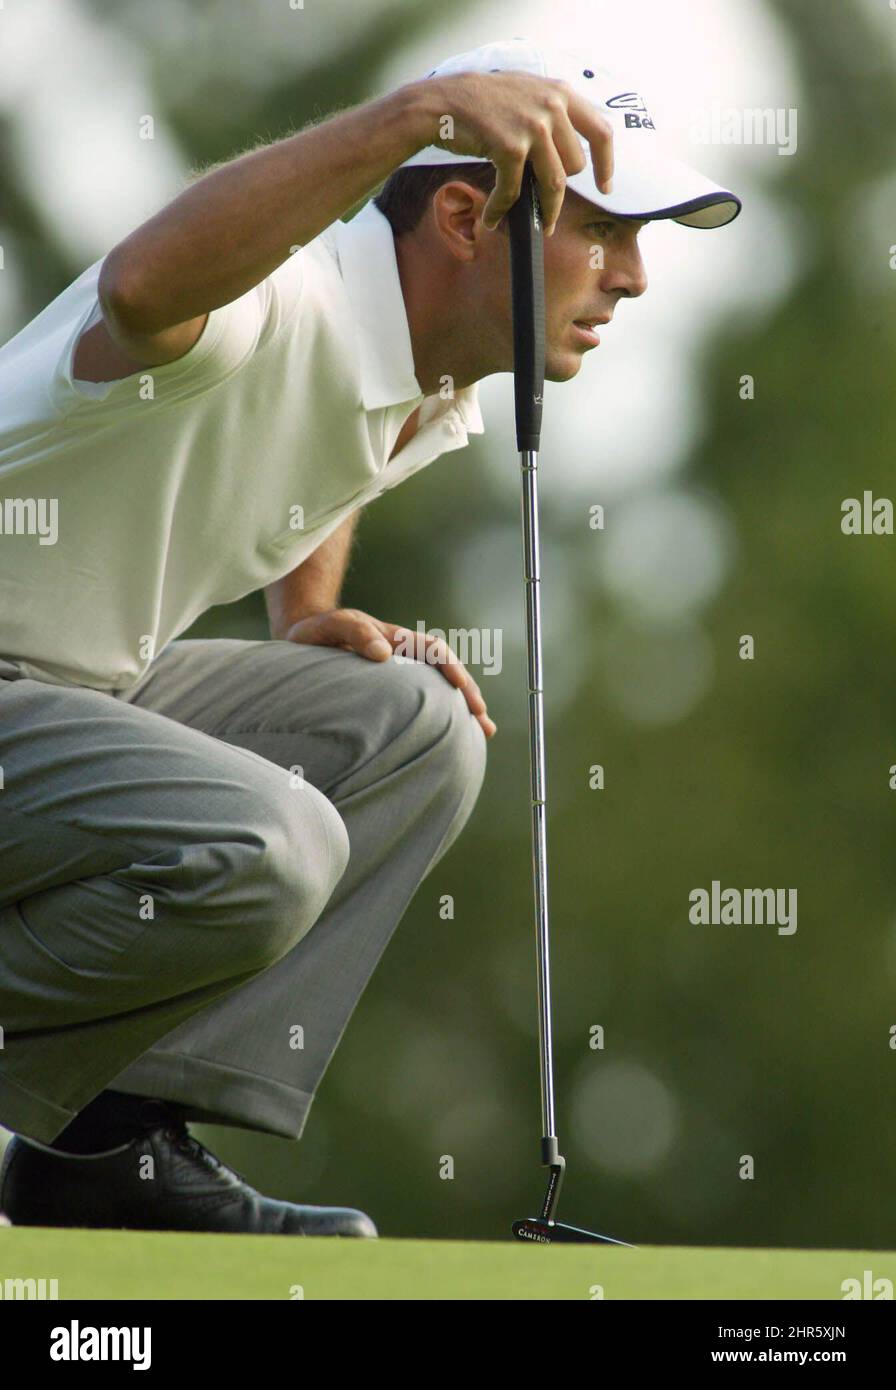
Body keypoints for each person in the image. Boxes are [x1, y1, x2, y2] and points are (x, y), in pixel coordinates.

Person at [0, 38, 740, 1235]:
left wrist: (304, 610)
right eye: (602, 231)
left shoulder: (417, 374)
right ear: (460, 215)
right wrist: (416, 110)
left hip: (62, 701)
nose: (634, 278)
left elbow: (327, 428)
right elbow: (142, 289)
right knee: (269, 840)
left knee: (415, 726)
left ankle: (103, 1152)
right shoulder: (265, 301)